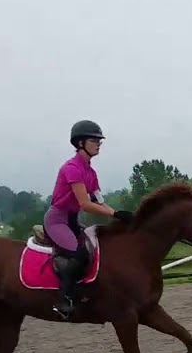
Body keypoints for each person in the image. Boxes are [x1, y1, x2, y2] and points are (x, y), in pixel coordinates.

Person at [45, 119, 133, 318]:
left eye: (99, 140)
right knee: (79, 254)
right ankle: (64, 299)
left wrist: (120, 214)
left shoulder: (90, 172)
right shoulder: (71, 169)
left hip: (73, 220)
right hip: (57, 220)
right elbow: (85, 203)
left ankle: (85, 292)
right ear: (80, 143)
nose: (99, 143)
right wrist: (114, 214)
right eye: (94, 140)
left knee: (96, 249)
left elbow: (99, 201)